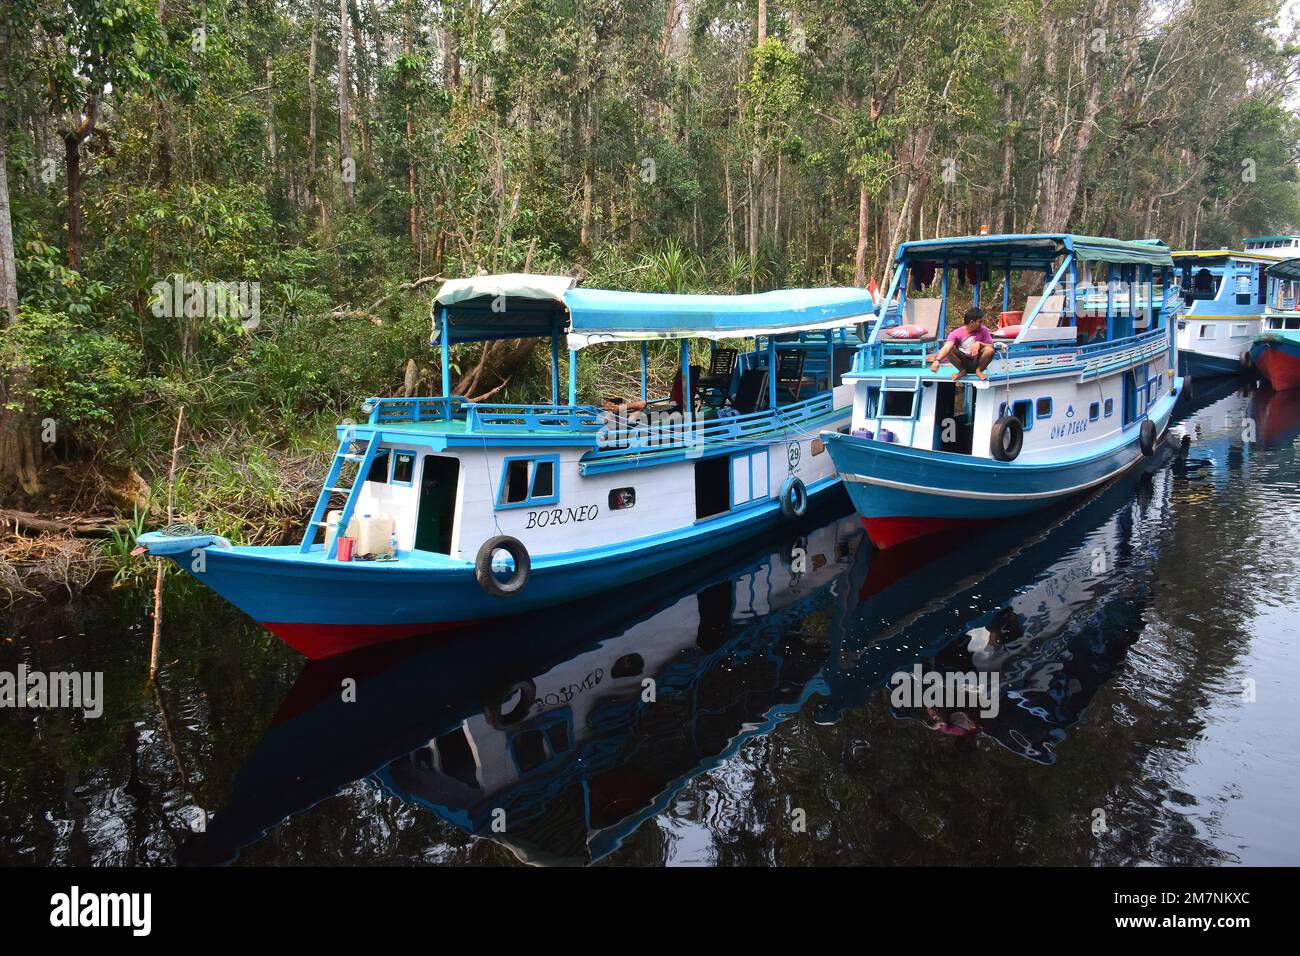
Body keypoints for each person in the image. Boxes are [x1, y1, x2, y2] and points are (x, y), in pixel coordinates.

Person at [930, 307, 994, 381]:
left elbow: (991, 346)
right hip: (964, 362)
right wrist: (937, 360)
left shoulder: (984, 330)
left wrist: (980, 343)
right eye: (980, 322)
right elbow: (947, 347)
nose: (982, 324)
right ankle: (962, 371)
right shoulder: (955, 333)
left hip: (978, 362)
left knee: (989, 350)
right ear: (972, 322)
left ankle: (979, 371)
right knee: (950, 350)